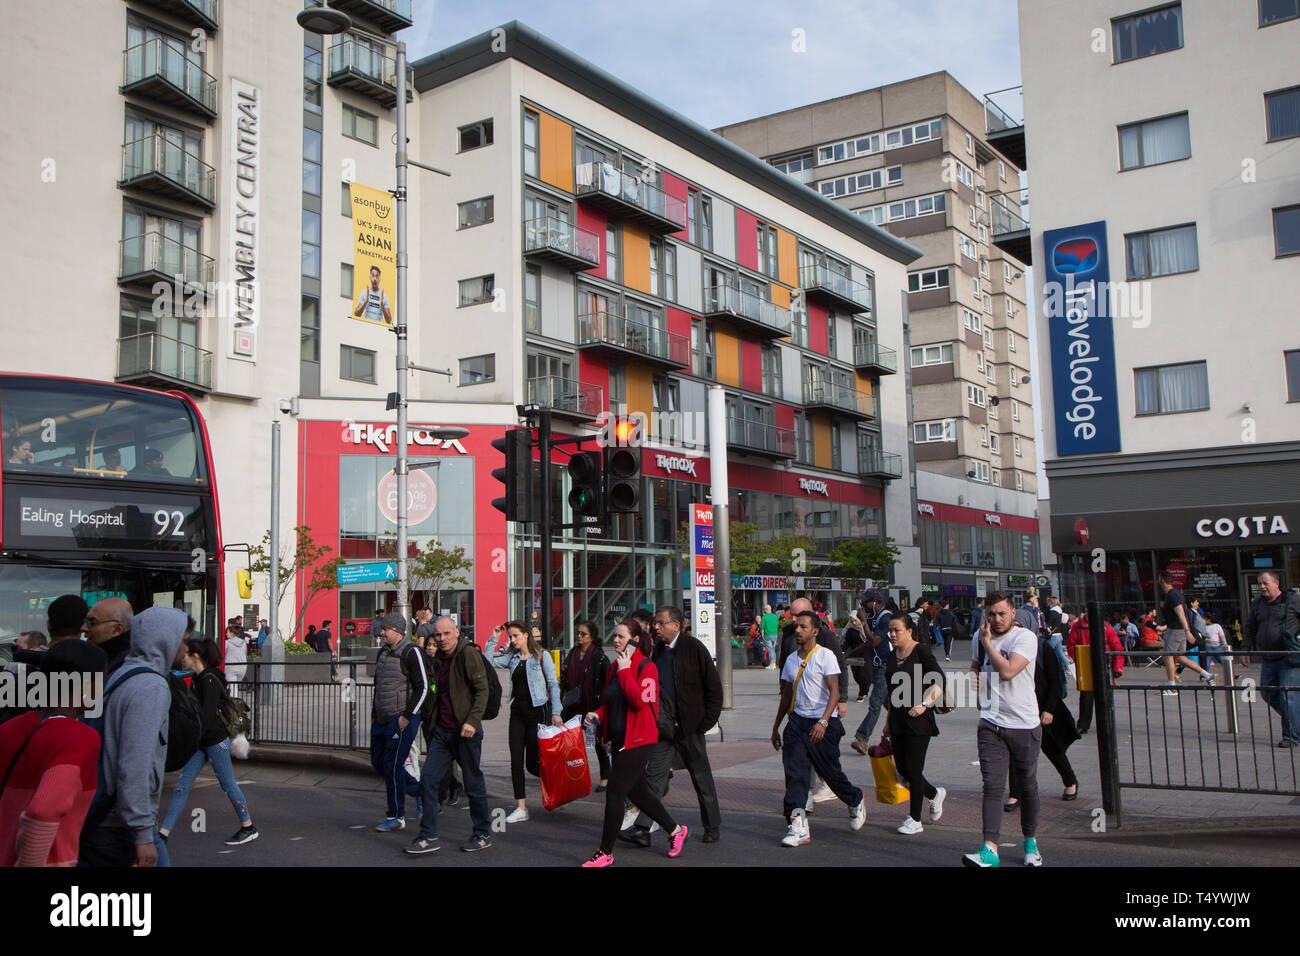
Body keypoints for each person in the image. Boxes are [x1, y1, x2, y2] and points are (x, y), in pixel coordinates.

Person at [78, 606, 189, 867]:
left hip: (104, 815)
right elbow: (135, 763)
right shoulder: (151, 686)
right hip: (119, 824)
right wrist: (142, 835)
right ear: (165, 639)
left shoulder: (122, 673)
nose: (186, 649)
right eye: (182, 640)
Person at [580, 620, 689, 867]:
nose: (615, 640)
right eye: (615, 636)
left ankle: (605, 852)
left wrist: (626, 671)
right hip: (619, 739)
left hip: (639, 740)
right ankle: (675, 830)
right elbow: (611, 702)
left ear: (635, 640)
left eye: (621, 636)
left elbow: (639, 702)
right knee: (639, 793)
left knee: (615, 792)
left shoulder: (645, 667)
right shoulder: (616, 665)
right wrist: (596, 714)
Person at [0, 640, 107, 866]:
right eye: (102, 679)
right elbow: (43, 811)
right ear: (87, 684)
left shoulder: (9, 729)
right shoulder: (79, 738)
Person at [623, 605, 723, 846]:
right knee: (653, 779)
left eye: (661, 622)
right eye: (655, 623)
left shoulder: (693, 648)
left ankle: (712, 826)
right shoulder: (656, 652)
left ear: (676, 625)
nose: (656, 627)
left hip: (690, 728)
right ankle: (643, 829)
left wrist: (704, 723)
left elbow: (714, 688)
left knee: (701, 778)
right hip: (664, 728)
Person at [770, 609, 867, 847]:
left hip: (823, 723)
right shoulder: (791, 659)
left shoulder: (825, 656)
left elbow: (834, 690)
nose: (797, 630)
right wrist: (776, 727)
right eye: (796, 627)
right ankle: (797, 824)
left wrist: (824, 721)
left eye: (803, 626)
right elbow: (787, 694)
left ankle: (855, 799)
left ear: (815, 631)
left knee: (831, 773)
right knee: (795, 774)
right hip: (796, 723)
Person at [964, 591, 1043, 868]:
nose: (996, 620)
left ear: (1012, 613)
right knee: (993, 787)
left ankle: (1030, 843)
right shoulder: (979, 637)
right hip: (991, 722)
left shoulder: (1025, 638)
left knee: (1027, 787)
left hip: (1024, 723)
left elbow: (1008, 670)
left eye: (1001, 614)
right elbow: (976, 667)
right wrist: (968, 685)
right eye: (991, 615)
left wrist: (988, 644)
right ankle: (990, 849)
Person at [157, 637, 258, 849]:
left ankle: (248, 826)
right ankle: (163, 833)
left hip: (214, 740)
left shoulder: (208, 679)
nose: (181, 660)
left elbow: (206, 714)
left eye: (184, 656)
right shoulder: (200, 678)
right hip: (203, 741)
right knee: (182, 786)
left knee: (227, 783)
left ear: (195, 656)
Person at [407, 617, 493, 854]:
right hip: (442, 733)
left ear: (456, 632)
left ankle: (482, 832)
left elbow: (482, 690)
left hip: (466, 732)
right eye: (438, 635)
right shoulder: (438, 659)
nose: (442, 639)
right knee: (428, 780)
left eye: (446, 634)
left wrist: (473, 721)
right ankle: (428, 835)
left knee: (473, 783)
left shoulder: (468, 654)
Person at [489, 621, 563, 823]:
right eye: (510, 636)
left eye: (515, 636)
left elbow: (553, 684)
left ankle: (558, 787)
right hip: (517, 714)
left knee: (532, 763)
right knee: (515, 761)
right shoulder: (512, 658)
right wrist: (494, 639)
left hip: (537, 712)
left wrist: (556, 712)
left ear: (526, 635)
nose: (512, 640)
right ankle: (521, 807)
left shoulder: (542, 656)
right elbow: (488, 661)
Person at [884, 611, 947, 834]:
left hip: (919, 720)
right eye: (890, 630)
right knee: (903, 770)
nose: (891, 634)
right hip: (898, 719)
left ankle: (915, 818)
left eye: (896, 630)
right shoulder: (891, 657)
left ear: (909, 631)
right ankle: (934, 794)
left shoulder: (920, 651)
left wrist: (924, 704)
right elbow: (891, 693)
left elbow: (940, 680)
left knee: (913, 768)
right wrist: (888, 720)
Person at [1007, 625, 1080, 812]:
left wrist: (1049, 710)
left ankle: (1070, 780)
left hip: (1042, 706)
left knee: (1051, 748)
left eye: (1019, 627)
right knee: (1015, 752)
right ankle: (1016, 793)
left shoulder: (1042, 648)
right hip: (1017, 708)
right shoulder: (1005, 648)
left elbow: (1056, 681)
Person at [369, 612, 429, 832]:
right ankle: (419, 791)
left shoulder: (412, 652)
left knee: (393, 765)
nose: (381, 632)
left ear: (397, 630)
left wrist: (407, 716)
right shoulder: (383, 653)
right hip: (381, 718)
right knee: (378, 762)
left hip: (400, 718)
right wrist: (374, 713)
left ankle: (396, 815)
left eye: (385, 629)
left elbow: (423, 687)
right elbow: (378, 684)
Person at [1243, 571, 1300, 747]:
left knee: (1288, 695)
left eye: (1265, 583)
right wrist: (1245, 649)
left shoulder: (1292, 600)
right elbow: (1250, 627)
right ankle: (1296, 721)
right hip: (1268, 656)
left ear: (1276, 583)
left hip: (1288, 657)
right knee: (1267, 693)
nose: (1261, 587)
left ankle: (1291, 737)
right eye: (1259, 583)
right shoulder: (1257, 603)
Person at [561, 619, 610, 790]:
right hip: (573, 705)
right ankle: (573, 774)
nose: (579, 636)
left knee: (597, 742)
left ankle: (605, 777)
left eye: (583, 634)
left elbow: (607, 682)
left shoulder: (600, 656)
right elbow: (565, 676)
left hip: (592, 705)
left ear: (592, 637)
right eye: (578, 633)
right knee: (570, 741)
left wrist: (603, 707)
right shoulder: (573, 652)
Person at [1155, 571, 1214, 696]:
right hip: (1177, 629)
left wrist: (1187, 631)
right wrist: (1165, 627)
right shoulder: (1176, 594)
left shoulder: (1172, 595)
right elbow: (1177, 616)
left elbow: (1181, 613)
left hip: (1176, 631)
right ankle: (1207, 675)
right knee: (1180, 657)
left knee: (1168, 656)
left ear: (1162, 580)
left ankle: (1172, 686)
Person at [849, 594, 894, 755]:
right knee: (889, 703)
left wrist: (863, 622)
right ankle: (905, 726)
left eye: (866, 602)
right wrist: (848, 656)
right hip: (877, 665)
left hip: (886, 665)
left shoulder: (885, 618)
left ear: (875, 602)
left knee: (875, 701)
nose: (863, 605)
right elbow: (868, 644)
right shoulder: (873, 617)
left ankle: (862, 738)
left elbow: (874, 641)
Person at [1065, 613, 1124, 734]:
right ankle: (1083, 724)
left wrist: (1117, 669)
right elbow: (1071, 645)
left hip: (1104, 666)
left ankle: (1106, 724)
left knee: (1105, 698)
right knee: (1086, 697)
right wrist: (1080, 655)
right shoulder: (1078, 627)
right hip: (1087, 667)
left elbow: (1117, 649)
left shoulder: (1106, 628)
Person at [223, 624, 247, 698]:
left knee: (231, 690)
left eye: (227, 632)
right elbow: (245, 653)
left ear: (231, 633)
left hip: (230, 667)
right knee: (235, 687)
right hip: (242, 667)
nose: (226, 634)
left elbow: (223, 654)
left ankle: (233, 705)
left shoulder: (227, 643)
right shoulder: (243, 643)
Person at [760, 603, 780, 671]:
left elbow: (762, 628)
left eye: (764, 609)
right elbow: (777, 625)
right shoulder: (775, 617)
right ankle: (774, 663)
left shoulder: (764, 617)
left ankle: (772, 664)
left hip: (767, 635)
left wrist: (762, 636)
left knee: (770, 650)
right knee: (773, 650)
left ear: (766, 610)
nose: (764, 610)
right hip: (775, 635)